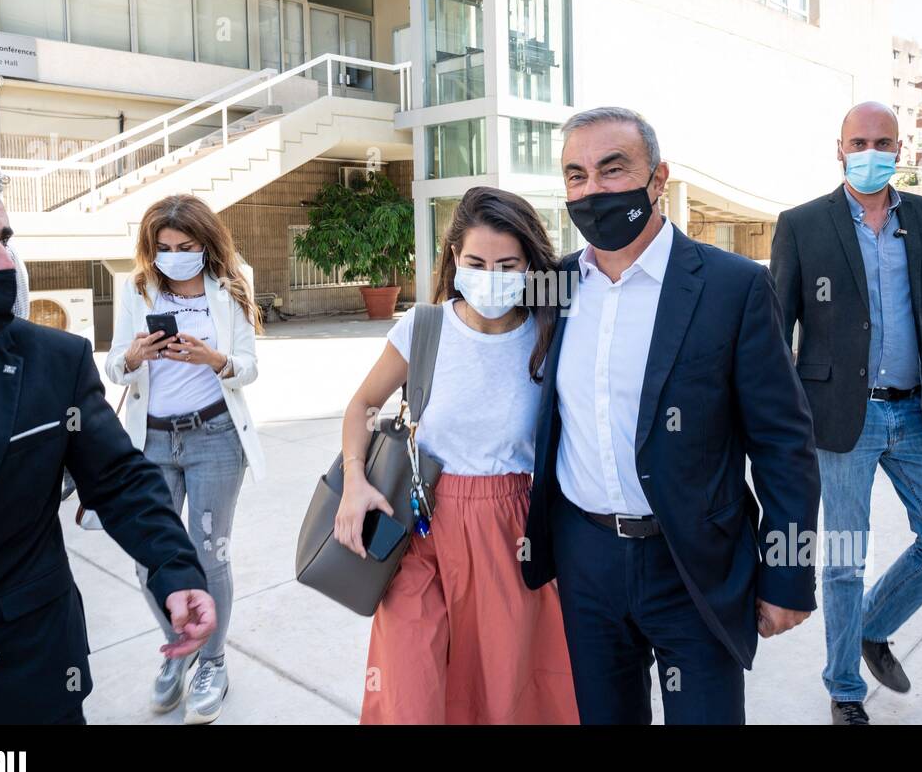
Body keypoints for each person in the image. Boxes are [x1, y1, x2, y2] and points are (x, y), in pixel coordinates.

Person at [0, 152, 214, 724]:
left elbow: (118, 479)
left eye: (3, 238)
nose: (2, 261)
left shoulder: (53, 360)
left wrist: (175, 568)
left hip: (25, 681)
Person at [522, 107, 821, 725]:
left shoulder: (730, 286)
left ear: (657, 178)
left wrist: (788, 573)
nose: (593, 189)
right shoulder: (554, 289)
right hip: (586, 558)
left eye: (612, 169)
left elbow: (782, 440)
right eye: (576, 176)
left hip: (693, 562)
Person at [769, 101, 922, 725]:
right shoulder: (802, 224)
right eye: (859, 141)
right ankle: (844, 688)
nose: (872, 152)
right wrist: (777, 427)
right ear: (838, 149)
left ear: (902, 149)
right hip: (843, 419)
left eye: (883, 141)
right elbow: (774, 333)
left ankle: (871, 627)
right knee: (843, 559)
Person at [337, 187, 578, 724]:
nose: (491, 274)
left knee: (504, 693)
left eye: (507, 264)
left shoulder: (550, 331)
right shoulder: (424, 327)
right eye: (476, 262)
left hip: (512, 529)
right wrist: (355, 480)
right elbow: (361, 405)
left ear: (530, 265)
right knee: (410, 691)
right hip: (420, 523)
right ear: (454, 258)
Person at [105, 193, 265, 725]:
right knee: (149, 557)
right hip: (152, 442)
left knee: (209, 554)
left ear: (205, 244)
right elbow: (114, 367)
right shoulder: (137, 287)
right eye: (163, 246)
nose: (172, 255)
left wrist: (212, 358)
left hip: (216, 437)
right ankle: (182, 647)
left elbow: (248, 368)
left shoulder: (233, 283)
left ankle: (213, 662)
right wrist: (134, 355)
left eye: (185, 246)